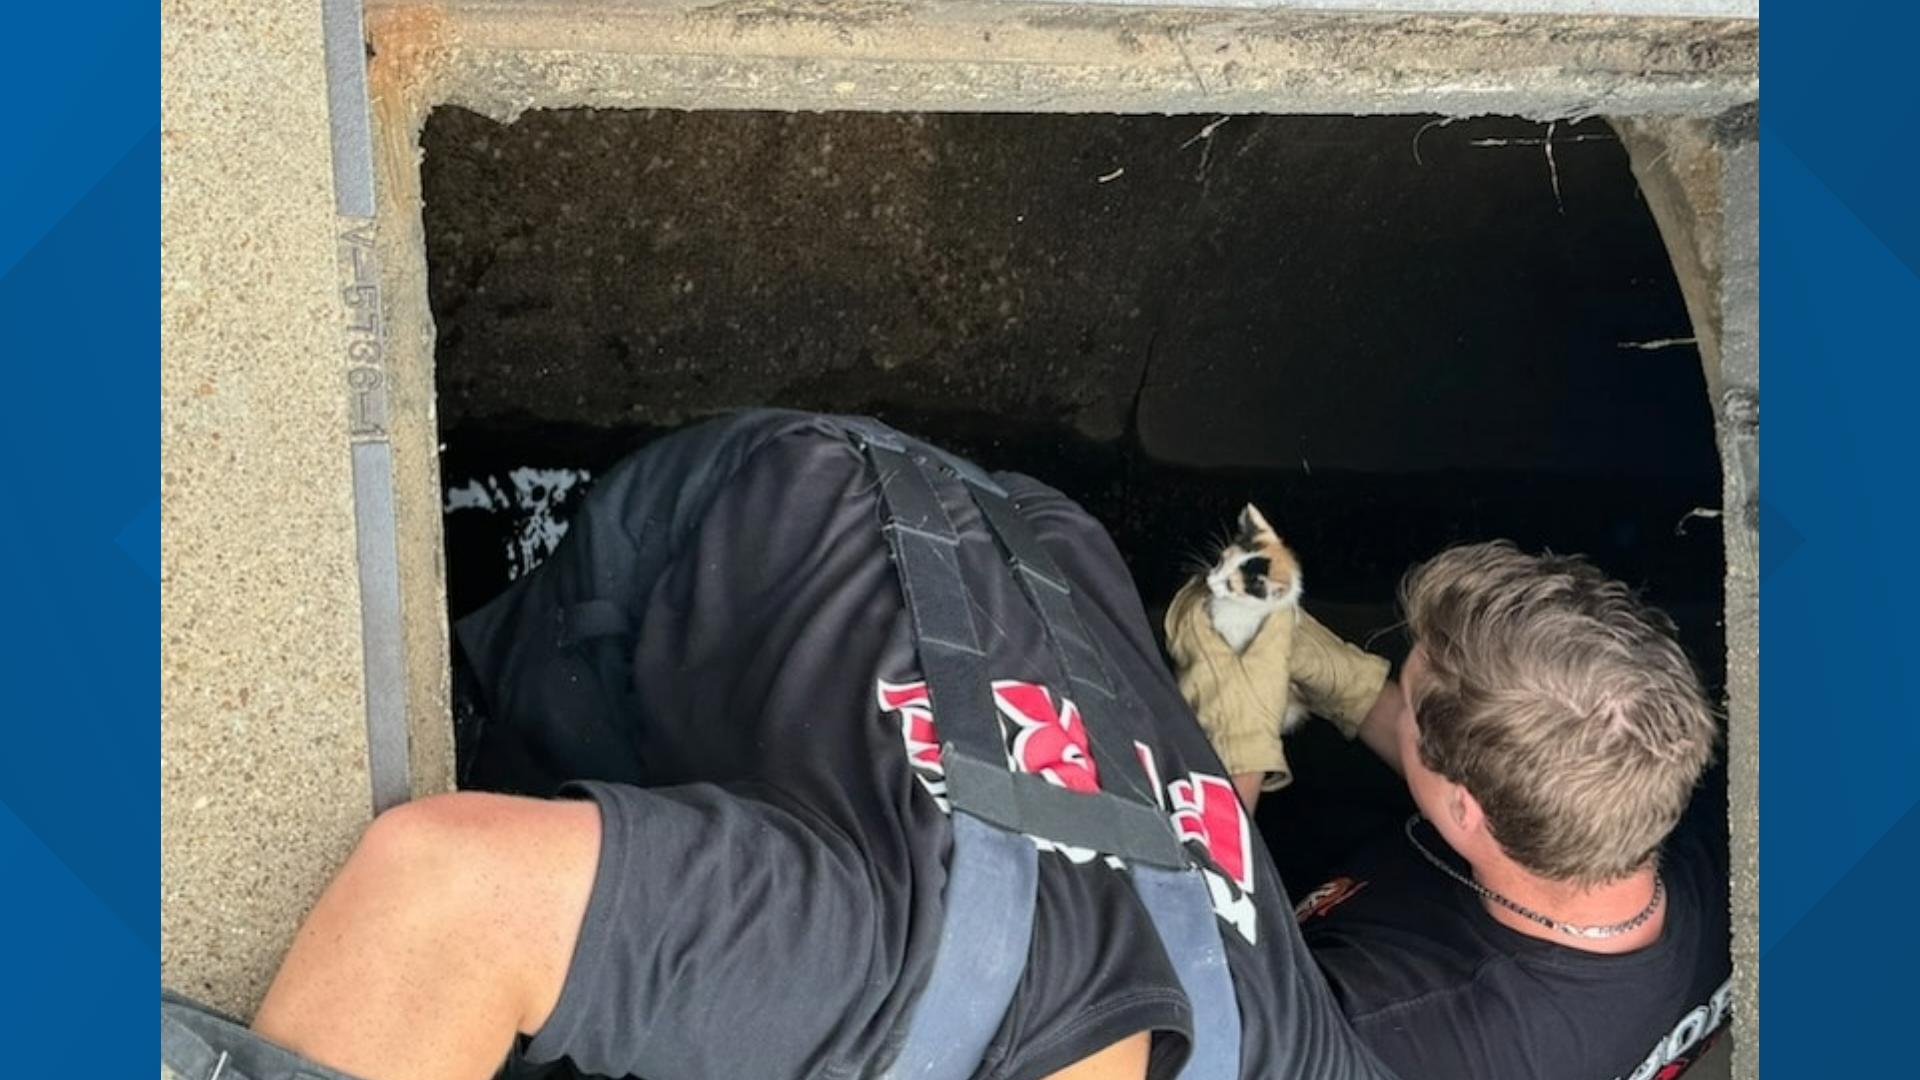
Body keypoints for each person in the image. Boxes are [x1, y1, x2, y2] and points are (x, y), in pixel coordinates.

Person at [158, 410, 1724, 1080]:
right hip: (784, 508)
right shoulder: (864, 963)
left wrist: (1224, 750)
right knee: (534, 746)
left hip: (1058, 570)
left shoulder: (1323, 1046)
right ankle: (533, 545)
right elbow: (438, 894)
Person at [1164, 542, 1732, 1079]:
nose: (1391, 694)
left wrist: (1228, 760)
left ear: (1466, 808)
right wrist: (1341, 682)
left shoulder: (1399, 1030)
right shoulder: (1710, 837)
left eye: (1405, 701)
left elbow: (1172, 1012)